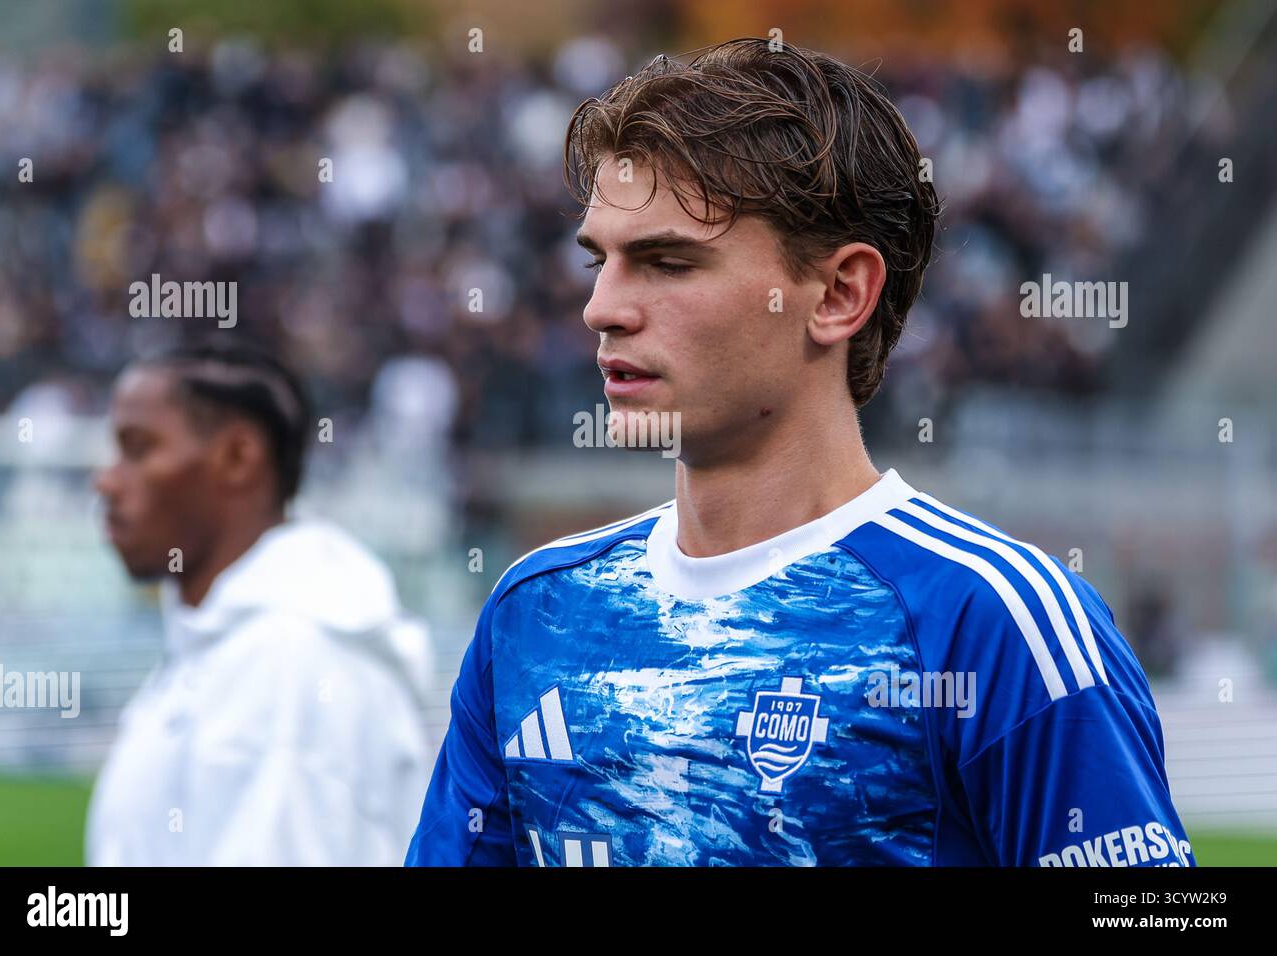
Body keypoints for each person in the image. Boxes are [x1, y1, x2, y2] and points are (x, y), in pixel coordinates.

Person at [406, 38, 1194, 867]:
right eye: (600, 261)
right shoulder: (533, 611)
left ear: (840, 293)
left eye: (668, 261)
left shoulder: (994, 622)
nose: (601, 309)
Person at [89, 342, 432, 865]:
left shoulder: (293, 661)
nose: (106, 481)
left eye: (138, 449)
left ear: (238, 457)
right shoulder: (233, 645)